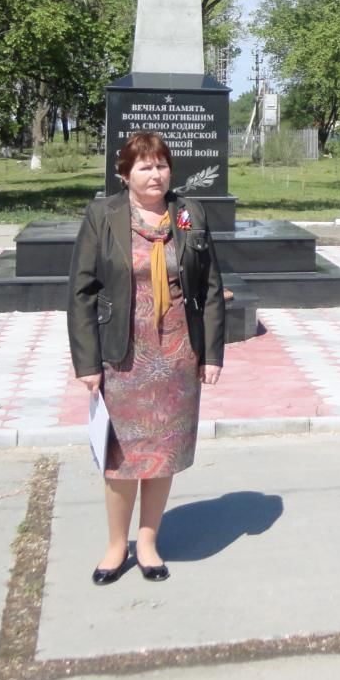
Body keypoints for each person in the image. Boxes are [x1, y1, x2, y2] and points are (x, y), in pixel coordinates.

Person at [67, 130, 226, 585]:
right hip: (122, 354)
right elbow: (81, 293)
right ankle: (117, 546)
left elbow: (210, 285)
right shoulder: (104, 215)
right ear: (125, 173)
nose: (155, 174)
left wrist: (211, 353)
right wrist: (87, 363)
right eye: (144, 166)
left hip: (177, 353)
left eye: (161, 165)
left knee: (163, 452)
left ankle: (150, 542)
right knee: (121, 457)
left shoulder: (188, 215)